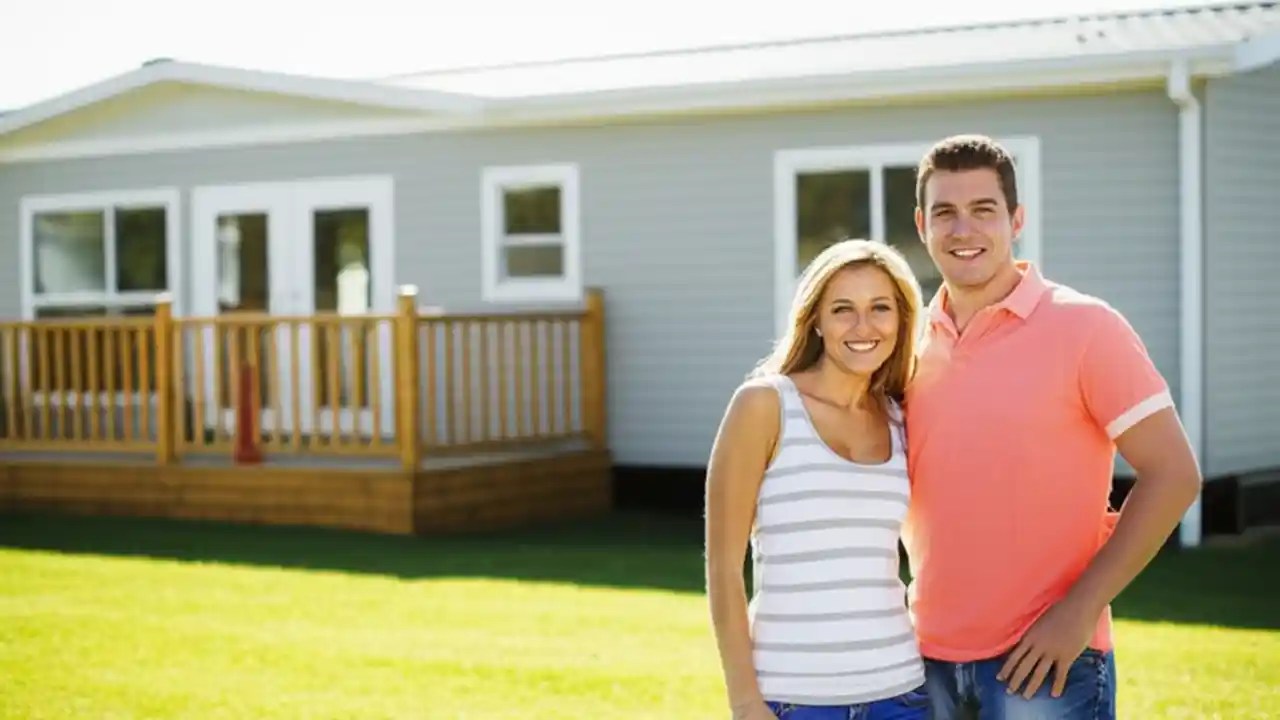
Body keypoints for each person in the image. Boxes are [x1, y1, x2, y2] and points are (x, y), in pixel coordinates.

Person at [901, 134, 1203, 719]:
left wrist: (1079, 611)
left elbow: (1174, 475)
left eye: (983, 210)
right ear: (921, 225)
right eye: (945, 213)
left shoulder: (1086, 328)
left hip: (1046, 663)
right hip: (924, 663)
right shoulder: (908, 343)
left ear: (1016, 219)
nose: (963, 230)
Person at [705, 239, 931, 720]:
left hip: (902, 693)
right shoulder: (764, 405)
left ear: (901, 320)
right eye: (843, 309)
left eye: (880, 308)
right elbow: (723, 568)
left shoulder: (900, 417)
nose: (863, 326)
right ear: (816, 321)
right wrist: (745, 701)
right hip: (794, 698)